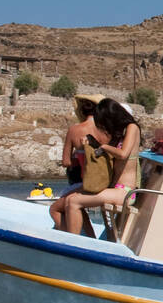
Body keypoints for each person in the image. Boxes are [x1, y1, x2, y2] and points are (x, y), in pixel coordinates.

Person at [59, 98, 142, 235]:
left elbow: (123, 154)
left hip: (125, 191)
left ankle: (75, 243)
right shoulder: (119, 133)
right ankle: (88, 240)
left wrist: (104, 147)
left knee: (74, 202)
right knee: (69, 199)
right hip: (113, 187)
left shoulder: (132, 128)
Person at [48, 94, 102, 234]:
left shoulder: (74, 130)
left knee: (54, 209)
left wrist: (78, 157)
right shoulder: (105, 131)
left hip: (84, 182)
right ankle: (91, 238)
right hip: (103, 181)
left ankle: (70, 240)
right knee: (79, 209)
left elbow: (66, 162)